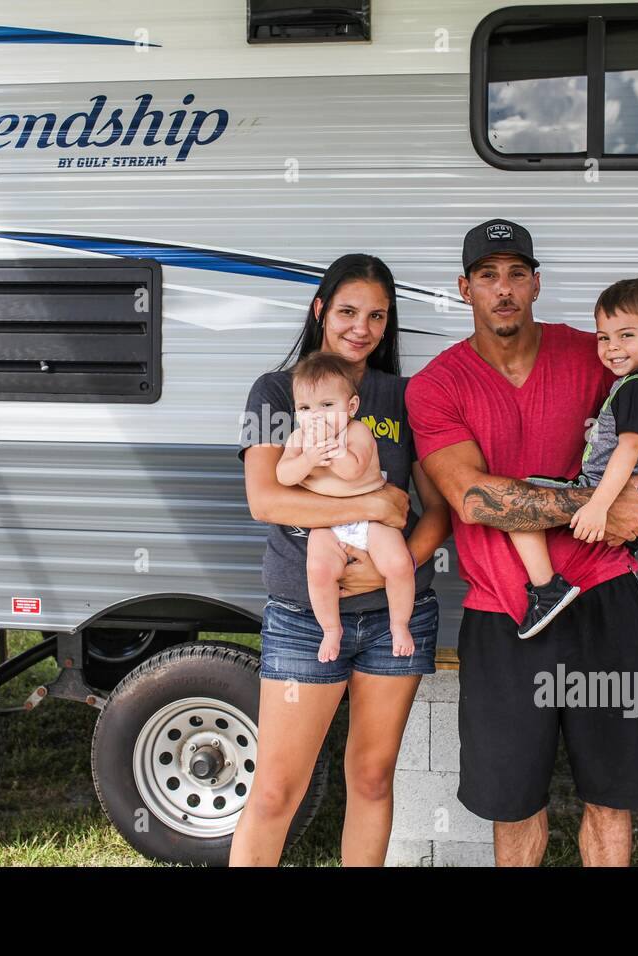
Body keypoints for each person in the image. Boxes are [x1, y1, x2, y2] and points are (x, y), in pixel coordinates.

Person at [405, 219, 638, 867]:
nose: (503, 289)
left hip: (603, 604)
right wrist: (596, 506)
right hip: (506, 615)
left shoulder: (595, 356)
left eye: (516, 274)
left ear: (536, 283)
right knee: (515, 806)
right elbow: (472, 498)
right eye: (487, 276)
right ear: (465, 288)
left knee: (611, 798)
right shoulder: (436, 385)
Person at [230, 253, 451, 867]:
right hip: (305, 614)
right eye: (349, 311)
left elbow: (437, 511)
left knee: (373, 778)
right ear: (320, 310)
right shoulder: (278, 390)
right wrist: (378, 499)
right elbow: (266, 498)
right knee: (277, 789)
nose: (362, 327)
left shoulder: (407, 397)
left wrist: (393, 560)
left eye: (378, 316)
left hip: (395, 615)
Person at [509, 277, 638, 639]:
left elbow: (627, 449)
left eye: (626, 336)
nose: (612, 348)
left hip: (596, 487)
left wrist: (599, 504)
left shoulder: (636, 386)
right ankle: (618, 566)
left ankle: (546, 590)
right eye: (604, 337)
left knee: (518, 503)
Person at [276, 352, 417, 663]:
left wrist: (333, 448)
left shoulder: (357, 432)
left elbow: (352, 471)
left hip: (372, 519)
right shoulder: (299, 439)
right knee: (319, 569)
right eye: (305, 408)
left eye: (327, 406)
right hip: (327, 523)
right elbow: (284, 476)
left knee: (399, 565)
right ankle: (331, 628)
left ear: (351, 407)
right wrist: (307, 459)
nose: (316, 416)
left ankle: (399, 625)